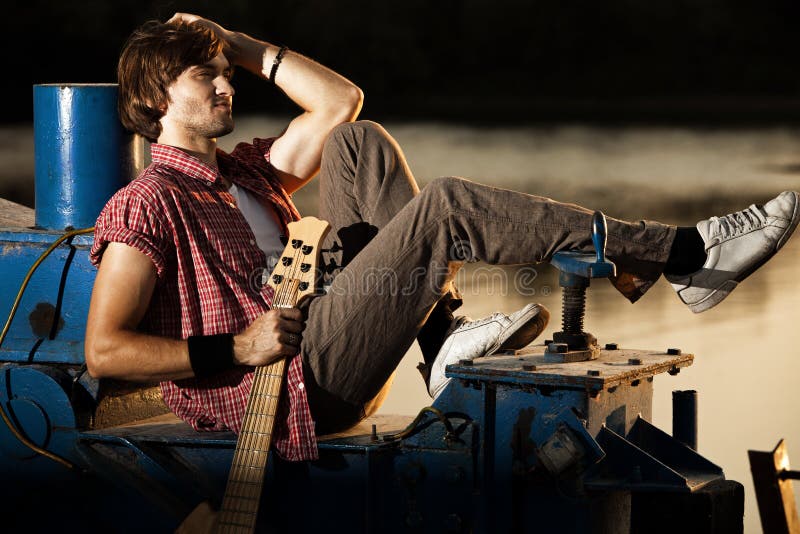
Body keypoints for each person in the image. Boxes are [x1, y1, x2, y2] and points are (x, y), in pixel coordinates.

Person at [85, 14, 800, 464]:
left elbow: (340, 103)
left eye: (224, 74)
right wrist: (238, 348)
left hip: (331, 339)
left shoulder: (246, 171)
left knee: (358, 141)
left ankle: (443, 341)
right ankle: (684, 253)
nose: (225, 86)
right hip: (283, 388)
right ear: (154, 98)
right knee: (447, 207)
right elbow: (105, 350)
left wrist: (240, 45)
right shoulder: (148, 203)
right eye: (204, 75)